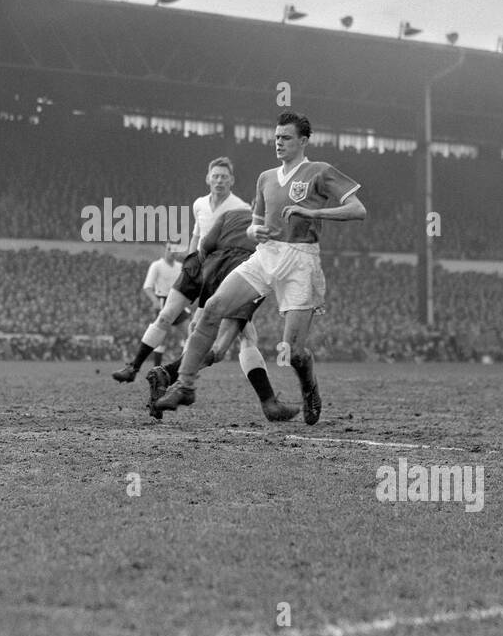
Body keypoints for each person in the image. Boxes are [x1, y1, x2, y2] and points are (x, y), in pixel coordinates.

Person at [156, 112, 366, 424]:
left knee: (293, 351)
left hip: (301, 260)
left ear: (303, 141)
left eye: (286, 138)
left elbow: (358, 209)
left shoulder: (320, 171)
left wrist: (314, 213)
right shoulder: (266, 178)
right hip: (266, 254)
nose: (278, 142)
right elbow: (254, 227)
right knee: (213, 307)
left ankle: (308, 386)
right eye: (277, 137)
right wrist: (257, 232)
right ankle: (185, 385)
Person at [146, 207, 300, 422]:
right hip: (245, 272)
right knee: (223, 346)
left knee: (242, 335)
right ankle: (169, 375)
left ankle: (269, 401)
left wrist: (203, 299)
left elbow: (204, 247)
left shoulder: (230, 214)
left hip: (213, 269)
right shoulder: (273, 224)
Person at [112, 157, 250, 381]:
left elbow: (243, 244)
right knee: (166, 315)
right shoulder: (199, 204)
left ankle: (178, 377)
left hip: (219, 270)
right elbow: (197, 234)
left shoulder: (241, 208)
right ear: (208, 179)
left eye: (224, 177)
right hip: (197, 265)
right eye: (215, 176)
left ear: (232, 181)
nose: (219, 180)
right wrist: (190, 260)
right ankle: (133, 367)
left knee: (197, 327)